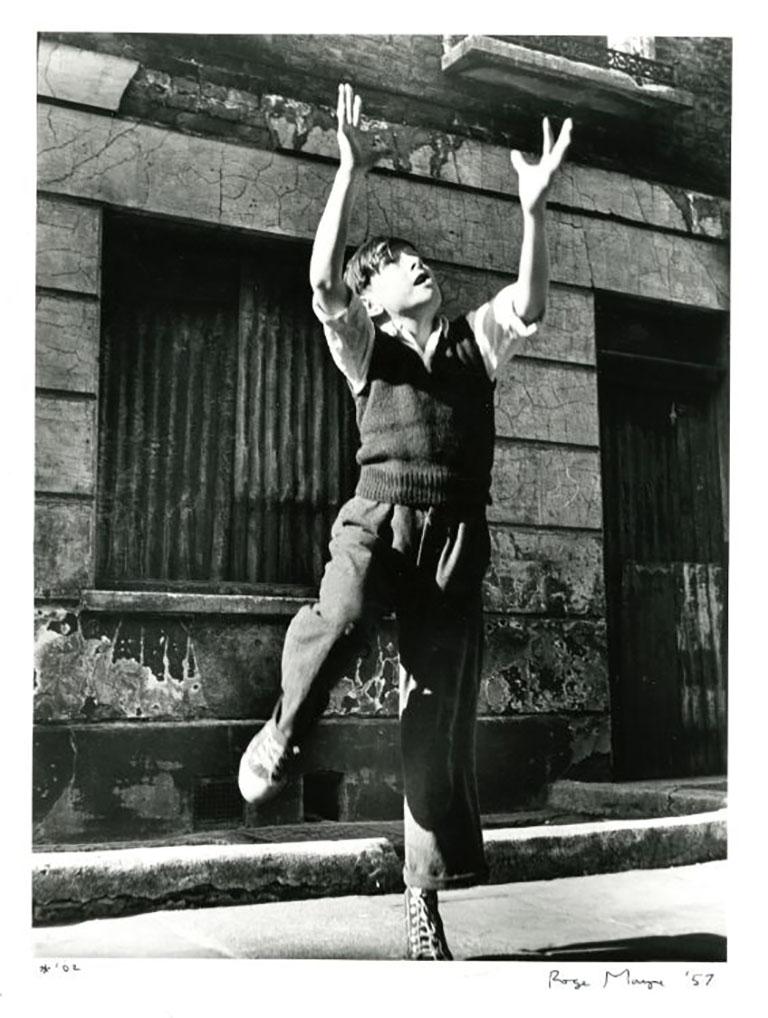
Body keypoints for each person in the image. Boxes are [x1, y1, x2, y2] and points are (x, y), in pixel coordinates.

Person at [239, 82, 572, 960]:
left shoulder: (473, 341)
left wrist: (532, 210)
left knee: (439, 712)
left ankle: (425, 905)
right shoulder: (364, 349)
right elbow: (320, 279)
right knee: (339, 617)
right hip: (378, 521)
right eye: (396, 262)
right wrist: (348, 171)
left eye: (420, 259)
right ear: (374, 298)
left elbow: (530, 305)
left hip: (456, 536)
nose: (417, 265)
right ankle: (281, 731)